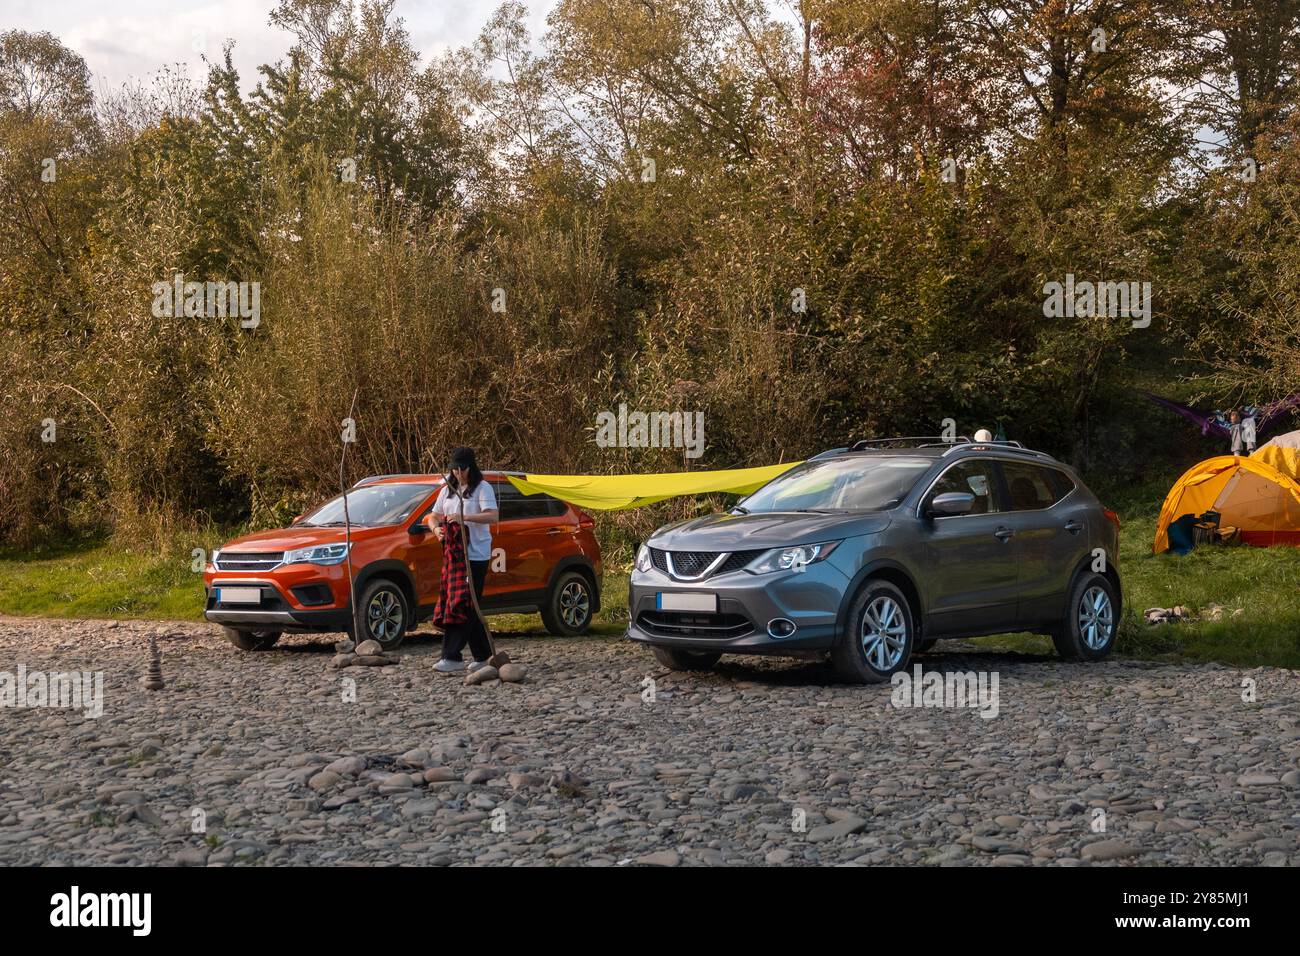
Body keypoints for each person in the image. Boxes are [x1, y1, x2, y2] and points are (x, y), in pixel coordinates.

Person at [428, 447, 499, 674]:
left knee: (464, 603)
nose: (459, 473)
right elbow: (434, 515)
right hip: (454, 554)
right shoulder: (448, 490)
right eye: (455, 469)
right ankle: (484, 655)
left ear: (471, 468)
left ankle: (451, 655)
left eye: (462, 469)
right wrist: (436, 529)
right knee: (465, 603)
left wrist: (464, 516)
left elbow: (492, 515)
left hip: (476, 554)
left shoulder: (482, 488)